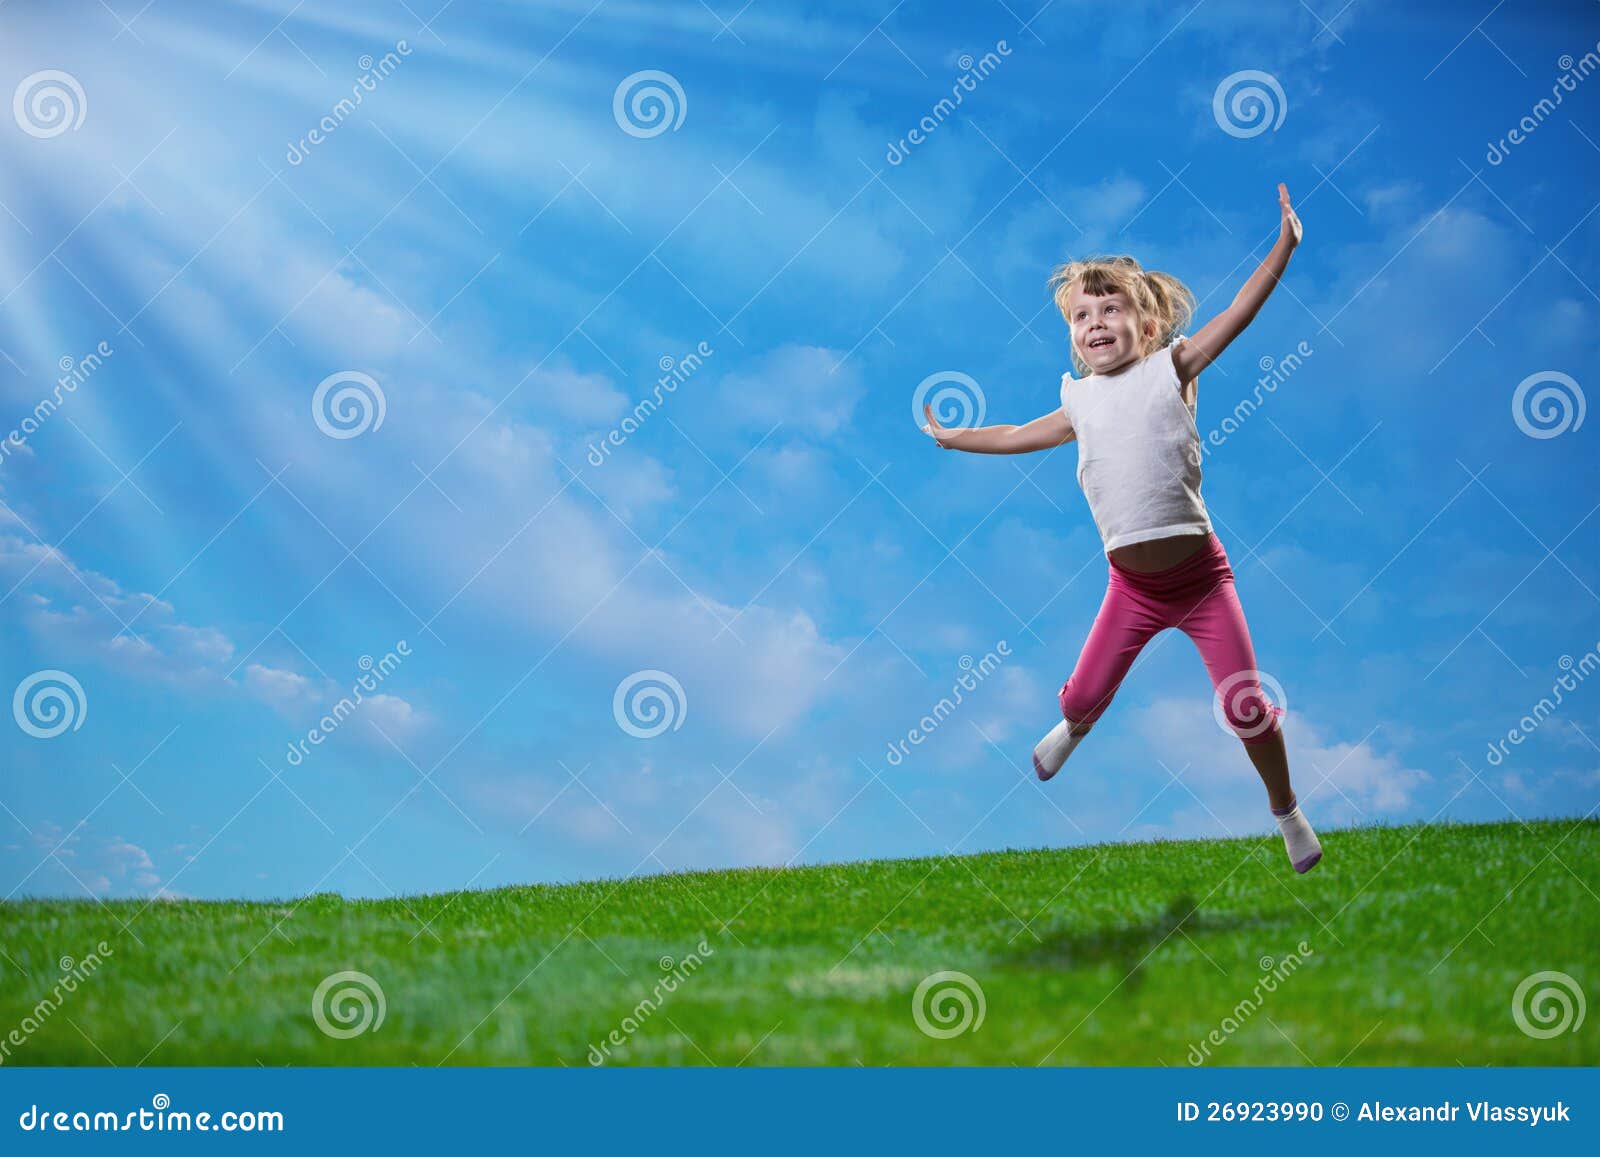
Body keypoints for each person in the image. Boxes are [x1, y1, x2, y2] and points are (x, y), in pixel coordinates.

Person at [921, 184, 1321, 874]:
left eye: (1112, 309)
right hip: (1131, 587)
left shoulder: (1175, 367)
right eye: (1083, 315)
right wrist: (955, 438)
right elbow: (1016, 433)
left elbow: (1241, 311)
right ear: (1072, 334)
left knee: (1248, 707)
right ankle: (1073, 726)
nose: (1096, 322)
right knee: (1079, 696)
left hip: (1201, 580)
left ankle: (1286, 811)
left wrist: (1284, 245)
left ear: (1150, 323)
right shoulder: (1078, 400)